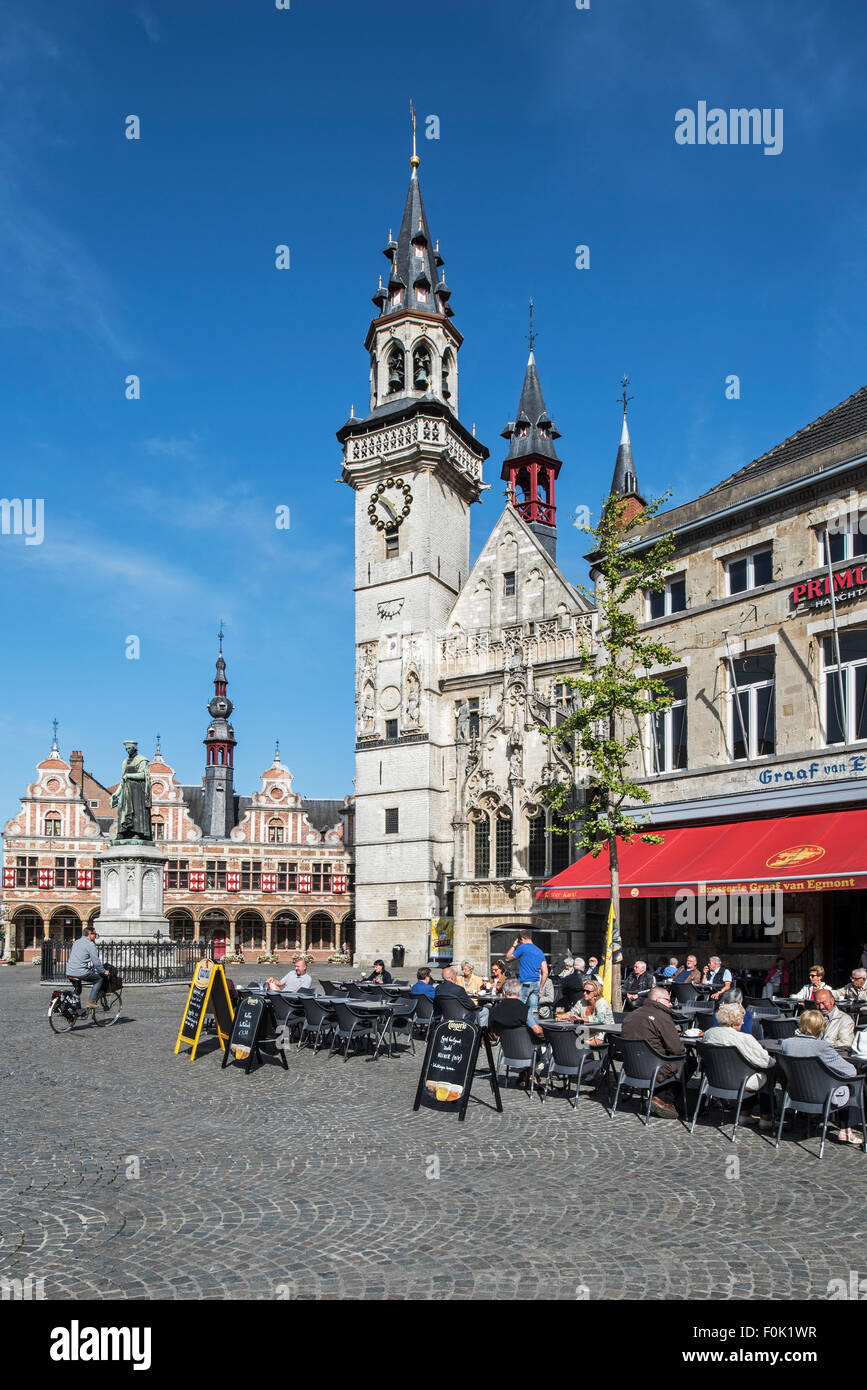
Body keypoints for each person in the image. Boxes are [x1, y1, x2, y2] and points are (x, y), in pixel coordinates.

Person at [781, 1009, 861, 1145]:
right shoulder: (822, 1046)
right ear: (821, 1027)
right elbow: (850, 1071)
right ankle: (845, 1129)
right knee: (851, 1084)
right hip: (820, 1096)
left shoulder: (786, 1043)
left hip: (796, 1093)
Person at [620, 985, 691, 1118]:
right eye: (669, 1000)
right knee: (687, 1061)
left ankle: (658, 1098)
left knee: (667, 1057)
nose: (671, 1004)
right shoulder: (662, 1017)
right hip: (655, 1069)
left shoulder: (630, 1015)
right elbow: (678, 1049)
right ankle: (662, 1099)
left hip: (632, 1069)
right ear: (659, 1000)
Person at [701, 1000, 773, 1126]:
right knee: (768, 1071)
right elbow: (766, 1062)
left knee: (747, 1069)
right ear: (735, 1021)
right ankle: (765, 1118)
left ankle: (745, 1115)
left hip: (714, 1080)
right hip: (739, 1082)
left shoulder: (708, 1034)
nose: (744, 1022)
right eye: (742, 1018)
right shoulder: (744, 1038)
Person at [66, 925, 110, 1013]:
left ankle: (76, 1009)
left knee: (78, 989)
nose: (95, 936)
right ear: (90, 934)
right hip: (80, 971)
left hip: (69, 970)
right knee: (99, 980)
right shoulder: (90, 944)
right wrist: (103, 971)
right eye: (95, 934)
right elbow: (96, 962)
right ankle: (91, 1002)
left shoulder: (77, 942)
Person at [505, 929, 548, 1016]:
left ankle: (517, 1025)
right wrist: (541, 987)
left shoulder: (522, 947)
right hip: (536, 983)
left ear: (521, 938)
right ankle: (534, 1023)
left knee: (518, 1006)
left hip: (525, 983)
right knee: (534, 1009)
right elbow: (545, 972)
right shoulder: (539, 951)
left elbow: (507, 958)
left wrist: (514, 945)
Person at [563, 978, 614, 1043]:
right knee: (566, 1040)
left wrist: (581, 1019)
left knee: (579, 1044)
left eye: (588, 992)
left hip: (603, 1033)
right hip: (586, 1032)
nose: (584, 993)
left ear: (595, 992)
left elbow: (600, 1019)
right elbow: (573, 1012)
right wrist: (563, 1016)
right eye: (584, 991)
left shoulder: (601, 1002)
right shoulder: (582, 1001)